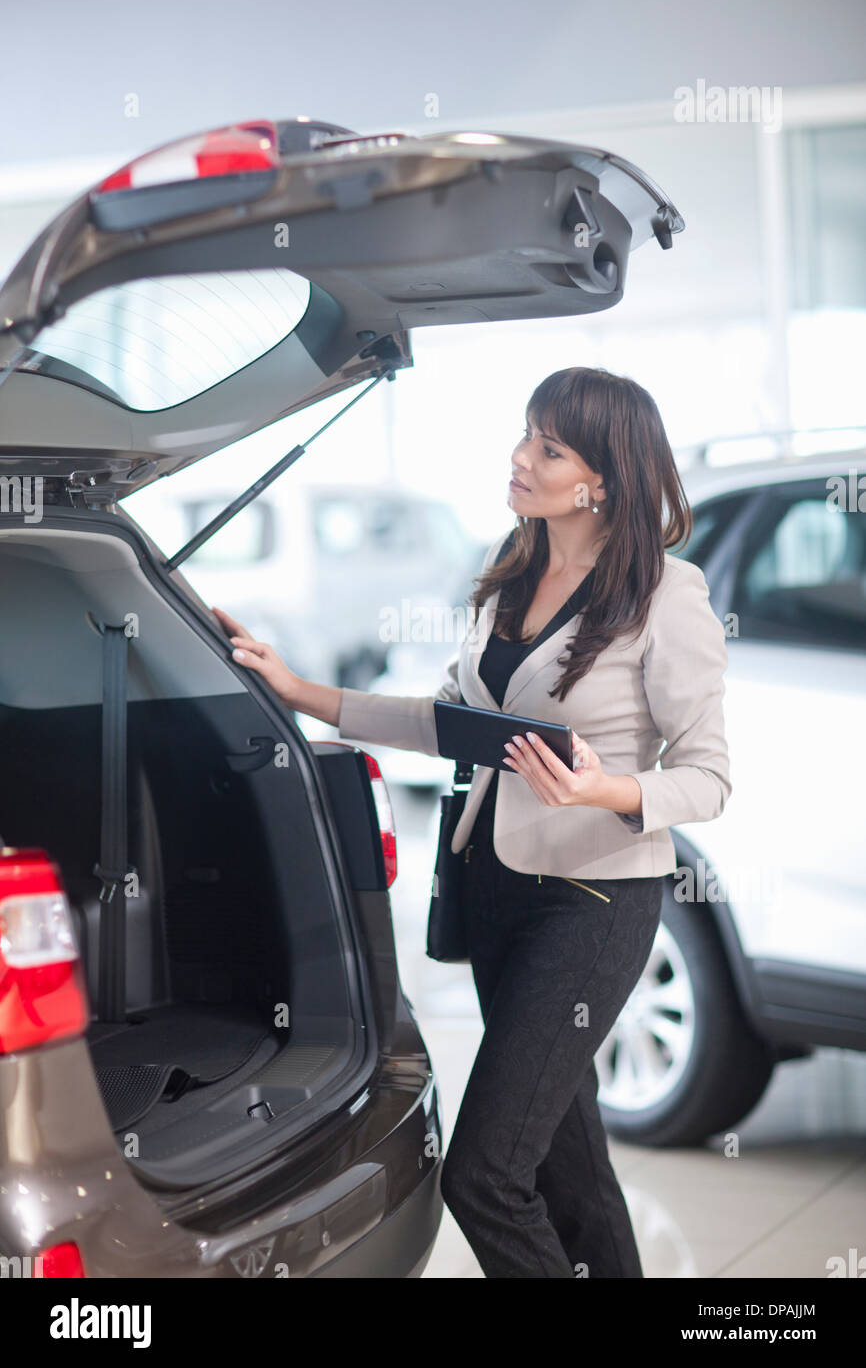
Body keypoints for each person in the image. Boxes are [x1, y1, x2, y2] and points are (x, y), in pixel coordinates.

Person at [212, 365, 732, 1279]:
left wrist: (605, 791)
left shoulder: (666, 595)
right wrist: (304, 693)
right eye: (525, 436)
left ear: (599, 478)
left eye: (547, 446)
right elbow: (446, 720)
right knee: (571, 1169)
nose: (520, 458)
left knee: (484, 1175)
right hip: (494, 889)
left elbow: (710, 778)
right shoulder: (511, 573)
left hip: (593, 903)